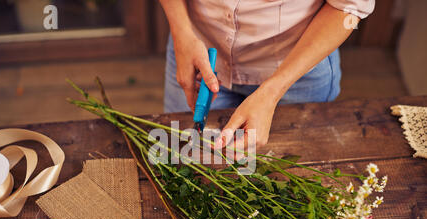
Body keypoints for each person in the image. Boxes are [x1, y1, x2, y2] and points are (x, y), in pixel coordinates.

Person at [159, 0, 375, 150]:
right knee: (184, 149)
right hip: (196, 51)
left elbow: (349, 6)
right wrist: (181, 34)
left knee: (288, 164)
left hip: (297, 69)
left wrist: (272, 91)